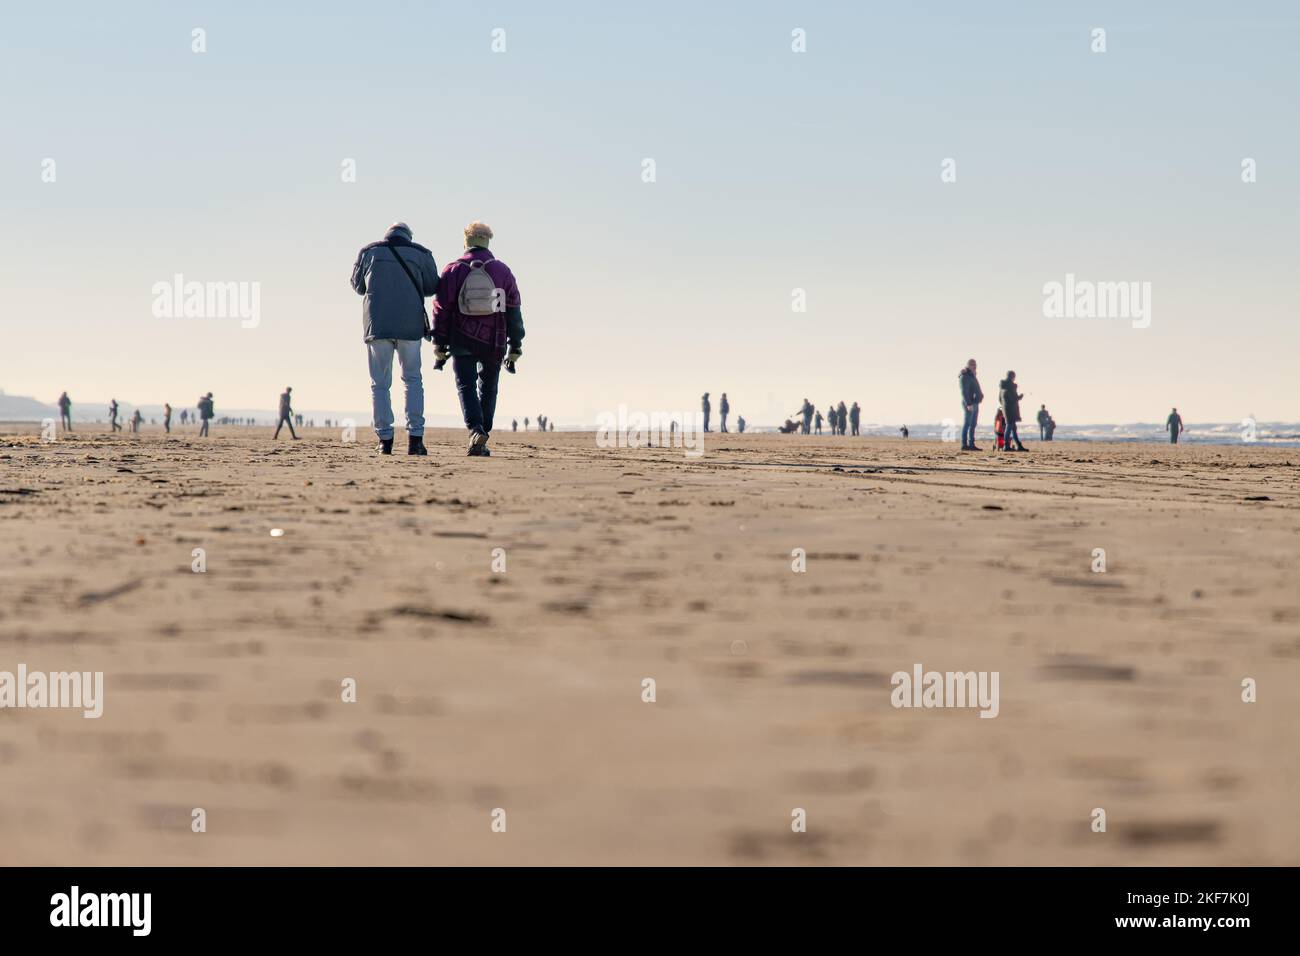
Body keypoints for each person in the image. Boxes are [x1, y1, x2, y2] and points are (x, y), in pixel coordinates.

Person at [432, 221, 525, 457]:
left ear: (466, 240)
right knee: (489, 387)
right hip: (494, 340)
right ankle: (482, 434)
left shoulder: (453, 270)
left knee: (466, 385)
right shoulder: (502, 271)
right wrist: (516, 344)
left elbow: (441, 308)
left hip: (461, 338)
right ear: (488, 240)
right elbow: (513, 309)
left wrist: (439, 342)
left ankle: (475, 429)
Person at [352, 221, 438, 456]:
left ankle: (384, 441)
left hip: (377, 326)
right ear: (409, 236)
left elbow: (357, 286)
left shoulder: (369, 252)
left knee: (379, 384)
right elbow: (432, 286)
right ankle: (415, 440)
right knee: (412, 380)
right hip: (410, 327)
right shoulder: (421, 253)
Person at [999, 371, 1026, 451]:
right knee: (1009, 426)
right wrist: (1019, 397)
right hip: (1010, 409)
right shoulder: (1010, 386)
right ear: (1012, 377)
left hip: (1006, 408)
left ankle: (1018, 445)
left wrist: (1004, 405)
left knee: (1013, 428)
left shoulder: (1003, 386)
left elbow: (1000, 399)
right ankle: (1006, 445)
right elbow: (1012, 399)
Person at [959, 359, 983, 451]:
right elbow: (964, 391)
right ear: (968, 365)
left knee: (973, 424)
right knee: (967, 424)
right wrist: (968, 403)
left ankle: (971, 444)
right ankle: (964, 444)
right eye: (972, 364)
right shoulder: (965, 376)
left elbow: (976, 388)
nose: (974, 366)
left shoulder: (972, 375)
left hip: (975, 402)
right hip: (969, 403)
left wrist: (980, 396)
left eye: (975, 364)